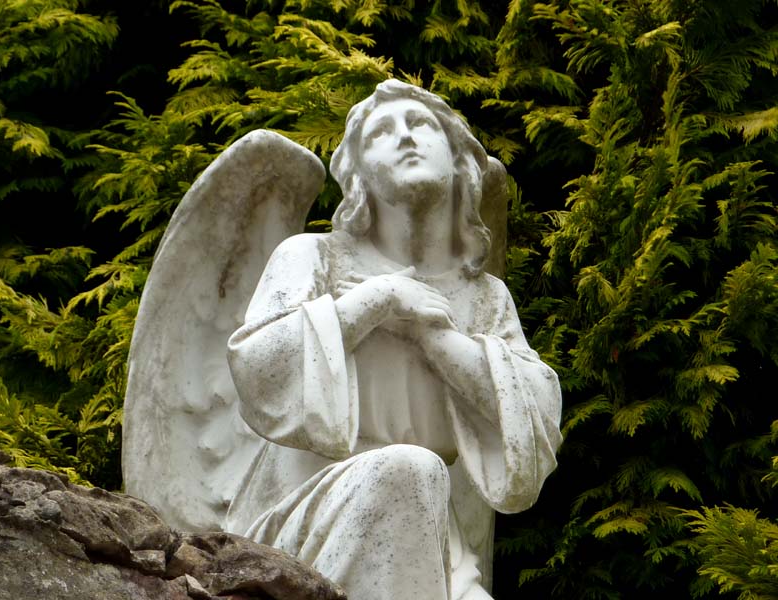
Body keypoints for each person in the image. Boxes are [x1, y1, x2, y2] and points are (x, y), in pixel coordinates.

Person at [225, 79, 562, 600]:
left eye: (421, 124)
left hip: (435, 538)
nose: (406, 137)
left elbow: (532, 426)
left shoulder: (485, 298)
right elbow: (258, 372)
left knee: (416, 478)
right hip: (297, 537)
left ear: (457, 160)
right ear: (358, 175)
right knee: (409, 468)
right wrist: (374, 301)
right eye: (383, 131)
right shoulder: (313, 258)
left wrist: (432, 335)